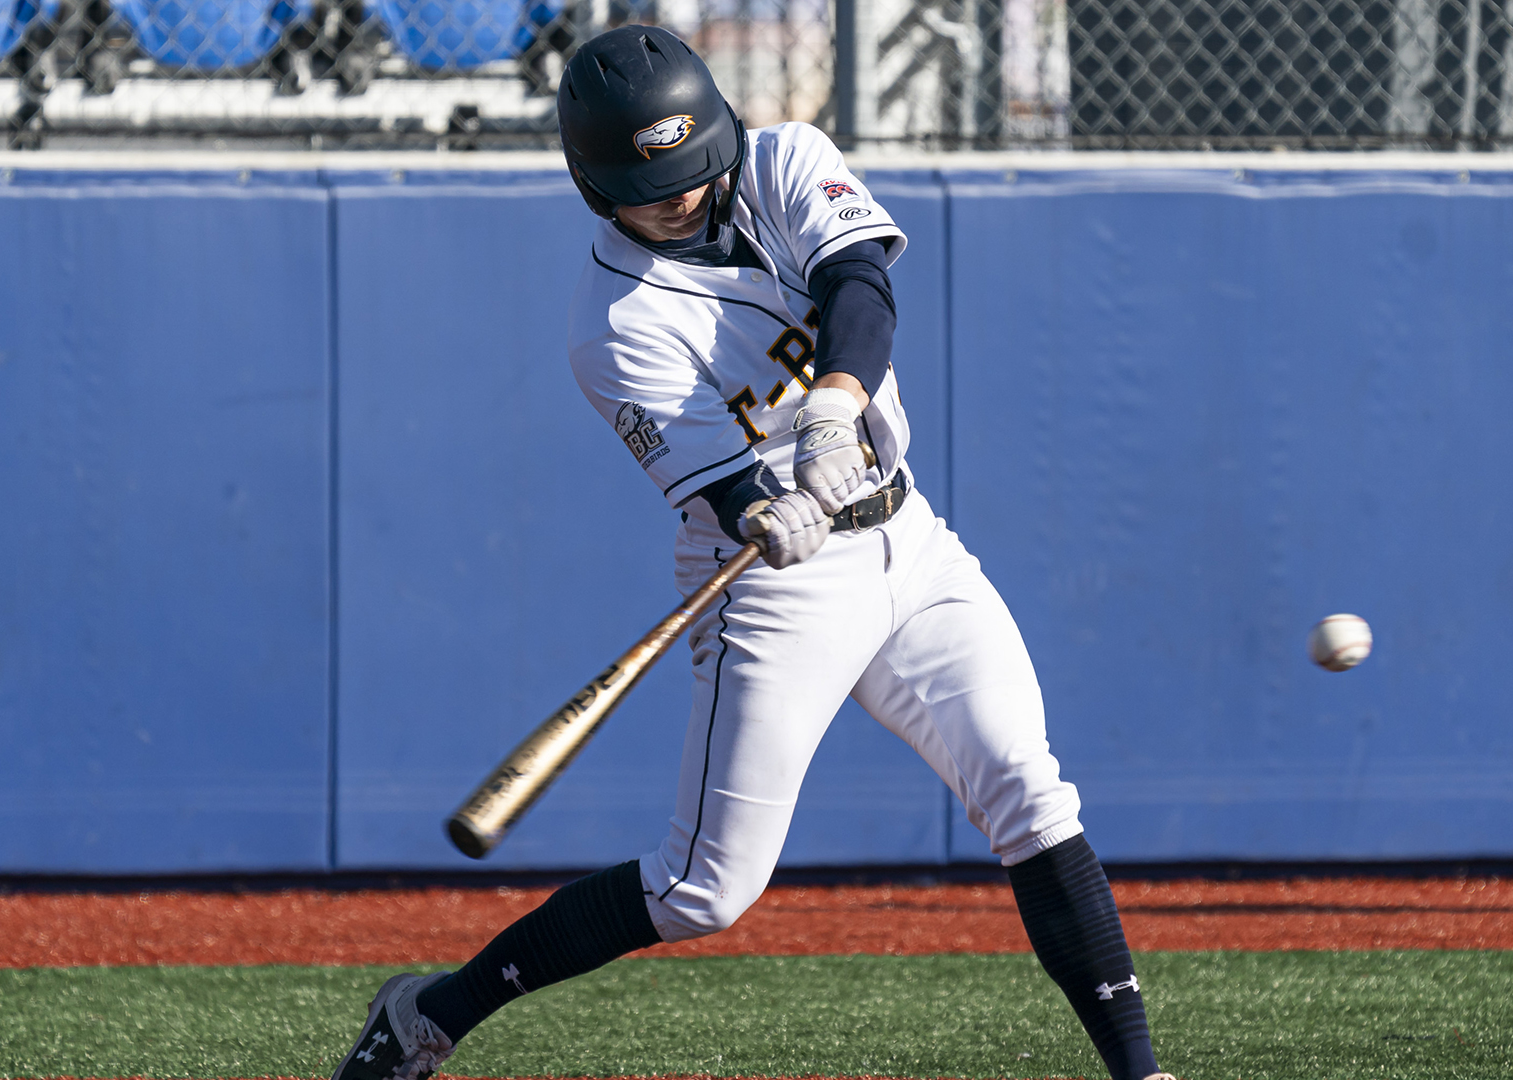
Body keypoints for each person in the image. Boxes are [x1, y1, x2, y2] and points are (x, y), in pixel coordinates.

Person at [329, 25, 1176, 1080]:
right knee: (704, 891)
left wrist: (832, 404)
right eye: (653, 185)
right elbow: (721, 488)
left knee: (1026, 787)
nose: (682, 196)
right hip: (778, 588)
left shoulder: (784, 160)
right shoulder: (614, 323)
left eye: (692, 168)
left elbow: (860, 286)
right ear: (597, 187)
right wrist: (757, 511)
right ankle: (428, 1016)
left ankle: (1141, 1074)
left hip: (911, 546)